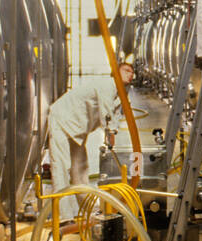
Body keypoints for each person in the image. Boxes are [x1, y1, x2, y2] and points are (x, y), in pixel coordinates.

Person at [46, 57, 135, 210]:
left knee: (80, 168)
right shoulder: (108, 85)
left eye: (132, 72)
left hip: (77, 129)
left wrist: (112, 131)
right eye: (126, 70)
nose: (130, 74)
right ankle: (63, 218)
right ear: (115, 72)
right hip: (61, 120)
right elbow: (106, 113)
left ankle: (87, 210)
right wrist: (110, 134)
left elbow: (116, 115)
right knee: (61, 168)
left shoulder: (120, 93)